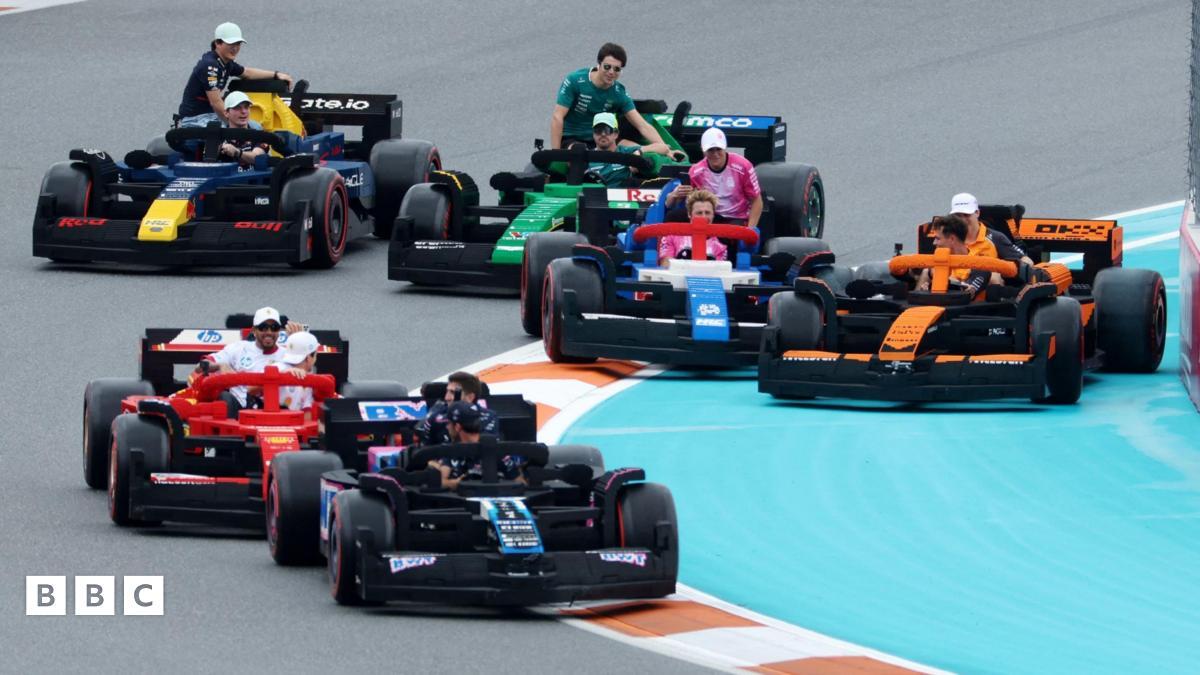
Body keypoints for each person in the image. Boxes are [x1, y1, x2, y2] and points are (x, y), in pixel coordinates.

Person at [177, 22, 293, 128]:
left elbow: (247, 73)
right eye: (231, 44)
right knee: (243, 131)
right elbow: (216, 102)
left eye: (238, 44)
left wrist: (276, 74)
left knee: (256, 128)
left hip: (213, 116)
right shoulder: (210, 66)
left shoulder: (225, 62)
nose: (235, 48)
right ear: (218, 43)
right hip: (195, 119)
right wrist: (233, 125)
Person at [550, 42, 664, 150]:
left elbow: (642, 126)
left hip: (603, 138)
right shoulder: (575, 80)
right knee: (579, 152)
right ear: (599, 64)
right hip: (572, 139)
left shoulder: (619, 92)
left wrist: (666, 149)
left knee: (635, 150)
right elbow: (557, 117)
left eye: (617, 69)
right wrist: (555, 154)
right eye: (607, 67)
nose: (611, 72)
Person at [194, 306, 305, 410]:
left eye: (274, 328)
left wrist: (300, 342)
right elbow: (199, 367)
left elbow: (304, 376)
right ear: (254, 330)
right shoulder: (239, 348)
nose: (269, 332)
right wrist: (219, 366)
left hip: (277, 409)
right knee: (224, 397)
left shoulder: (287, 354)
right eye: (263, 327)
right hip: (241, 411)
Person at [664, 128, 763, 228]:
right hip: (708, 215)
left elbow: (757, 201)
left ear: (724, 148)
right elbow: (676, 203)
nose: (715, 154)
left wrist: (750, 230)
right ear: (704, 151)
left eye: (718, 149)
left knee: (724, 237)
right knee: (672, 217)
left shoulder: (743, 166)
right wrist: (674, 195)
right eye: (710, 150)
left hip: (736, 217)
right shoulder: (696, 171)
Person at [428, 402, 524, 490]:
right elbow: (441, 482)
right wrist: (453, 484)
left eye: (449, 423)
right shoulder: (451, 450)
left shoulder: (495, 449)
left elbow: (520, 483)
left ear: (457, 427)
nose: (447, 427)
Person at [586, 112, 682, 187]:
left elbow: (663, 147)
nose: (603, 134)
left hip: (624, 193)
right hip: (597, 197)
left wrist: (640, 151)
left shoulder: (626, 151)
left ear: (616, 134)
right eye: (598, 131)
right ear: (593, 134)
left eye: (607, 130)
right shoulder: (586, 157)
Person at [917, 215, 998, 297]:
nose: (934, 243)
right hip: (940, 304)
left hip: (973, 307)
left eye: (938, 238)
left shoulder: (978, 261)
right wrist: (925, 292)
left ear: (952, 239)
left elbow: (968, 293)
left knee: (995, 277)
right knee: (926, 272)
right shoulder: (937, 261)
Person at [949, 193, 1033, 265]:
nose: (962, 220)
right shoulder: (946, 237)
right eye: (958, 216)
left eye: (966, 215)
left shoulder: (996, 238)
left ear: (977, 213)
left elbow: (1026, 261)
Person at [419, 371, 499, 446]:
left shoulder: (488, 417)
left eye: (453, 393)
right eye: (447, 392)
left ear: (470, 397)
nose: (447, 398)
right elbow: (424, 450)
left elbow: (486, 448)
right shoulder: (436, 416)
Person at [657, 189, 729, 264]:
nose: (703, 217)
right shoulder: (671, 237)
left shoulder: (721, 247)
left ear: (713, 215)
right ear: (689, 214)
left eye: (707, 213)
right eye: (699, 213)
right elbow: (665, 265)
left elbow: (719, 272)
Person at [271, 331, 320, 412]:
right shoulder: (275, 368)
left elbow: (307, 410)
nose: (315, 359)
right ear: (308, 358)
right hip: (268, 420)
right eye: (315, 355)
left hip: (294, 422)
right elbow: (250, 390)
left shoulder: (308, 379)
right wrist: (282, 375)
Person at [218, 91, 271, 166]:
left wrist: (237, 152)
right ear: (226, 113)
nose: (243, 111)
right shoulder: (218, 137)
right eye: (237, 108)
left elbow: (257, 157)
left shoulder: (260, 135)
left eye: (246, 107)